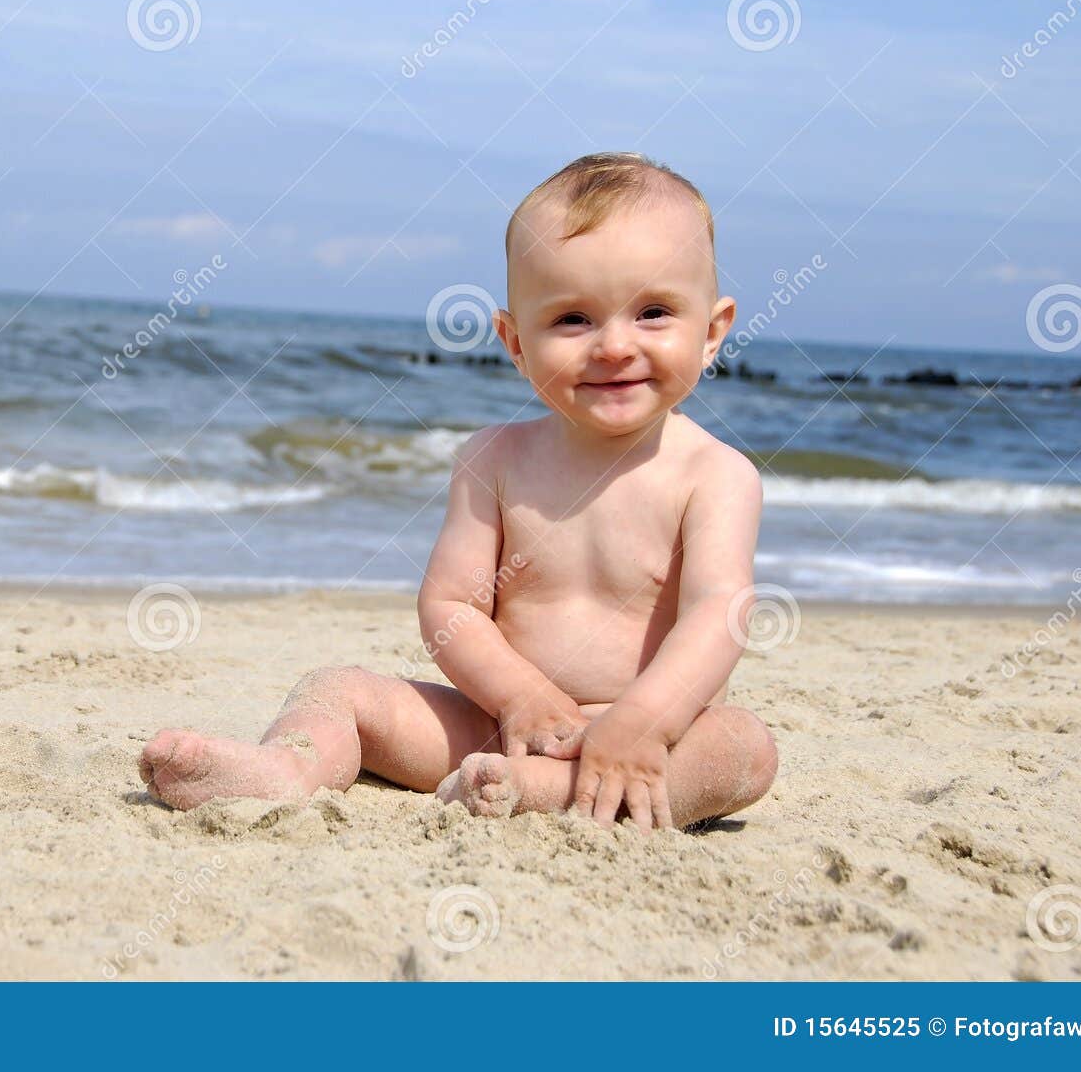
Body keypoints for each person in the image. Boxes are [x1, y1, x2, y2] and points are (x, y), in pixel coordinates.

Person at [140, 152, 778, 831]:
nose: (614, 345)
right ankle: (287, 767)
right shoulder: (493, 458)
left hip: (651, 736)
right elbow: (451, 604)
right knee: (340, 688)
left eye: (653, 312)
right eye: (572, 320)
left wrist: (644, 719)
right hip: (493, 722)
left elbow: (719, 610)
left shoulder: (716, 475)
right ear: (514, 342)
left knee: (744, 750)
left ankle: (541, 791)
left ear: (712, 332)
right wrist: (520, 694)